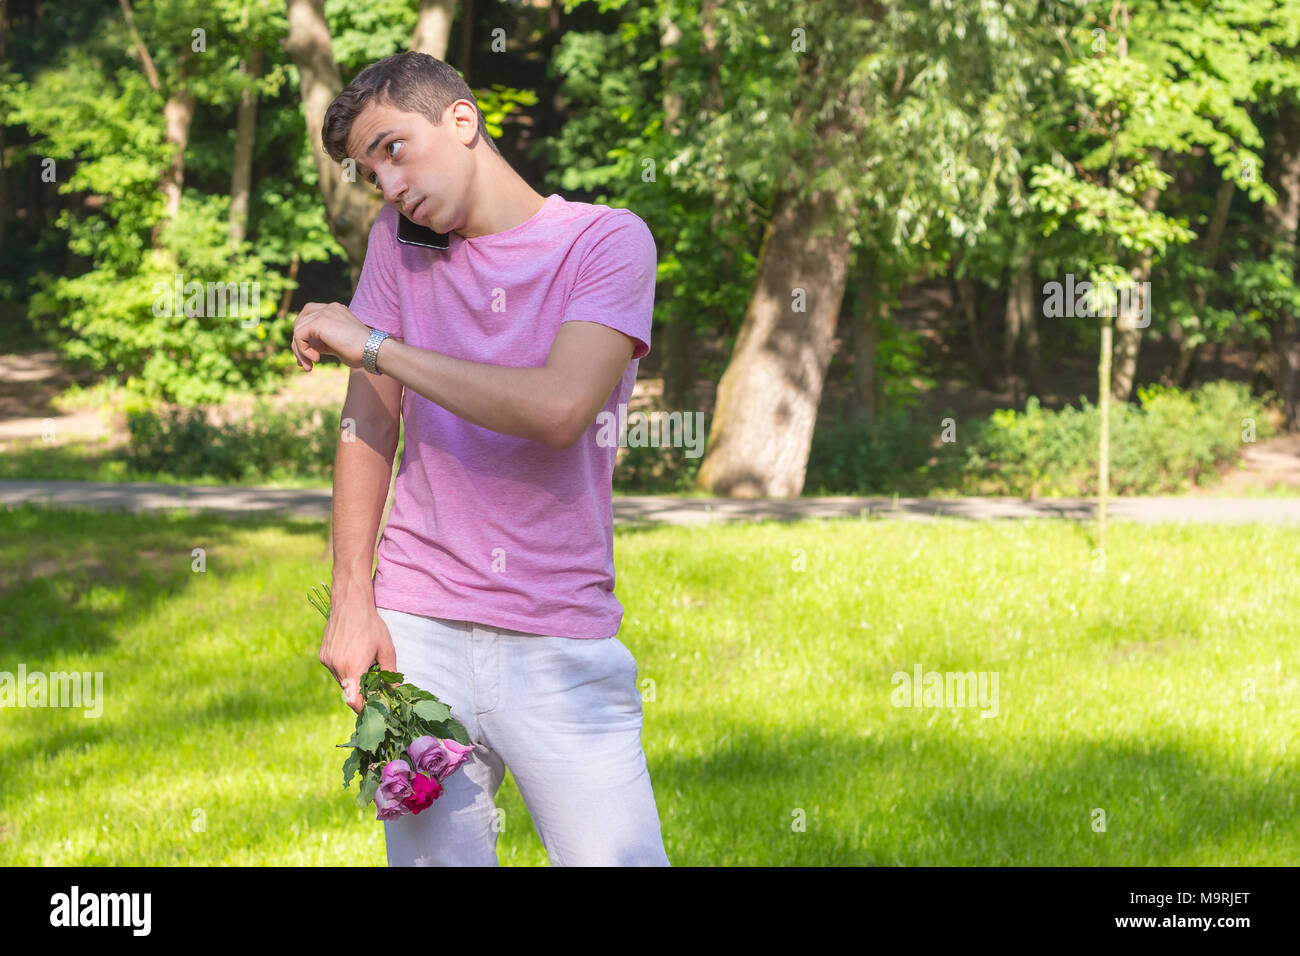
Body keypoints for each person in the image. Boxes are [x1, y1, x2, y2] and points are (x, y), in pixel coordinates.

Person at [291, 51, 669, 867]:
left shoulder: (606, 243)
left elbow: (558, 409)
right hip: (417, 634)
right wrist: (352, 599)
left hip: (558, 637)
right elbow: (368, 427)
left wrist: (378, 346)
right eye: (368, 170)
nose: (387, 185)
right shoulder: (401, 243)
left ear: (461, 121)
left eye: (394, 149)